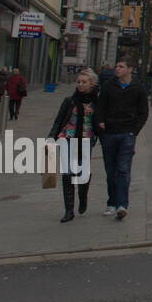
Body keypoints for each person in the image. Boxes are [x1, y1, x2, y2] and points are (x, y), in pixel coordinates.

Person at [93, 59, 149, 221]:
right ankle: (112, 202)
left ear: (129, 69)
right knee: (111, 171)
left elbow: (143, 112)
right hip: (109, 133)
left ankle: (122, 205)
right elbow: (100, 107)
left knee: (123, 170)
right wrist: (101, 124)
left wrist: (134, 131)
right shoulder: (108, 87)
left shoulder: (138, 88)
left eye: (121, 66)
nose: (116, 69)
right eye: (116, 66)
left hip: (127, 134)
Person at [47, 68, 100, 222]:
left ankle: (83, 197)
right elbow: (58, 121)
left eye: (84, 82)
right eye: (79, 82)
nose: (81, 85)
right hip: (67, 138)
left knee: (83, 173)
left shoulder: (97, 102)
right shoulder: (69, 101)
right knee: (68, 173)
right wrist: (51, 138)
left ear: (92, 84)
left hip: (85, 140)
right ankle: (69, 210)